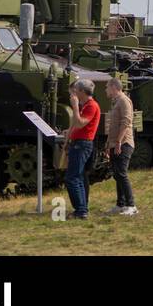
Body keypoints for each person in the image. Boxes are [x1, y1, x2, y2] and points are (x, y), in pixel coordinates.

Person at [63, 78, 100, 220]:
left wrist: (75, 107)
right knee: (79, 176)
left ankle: (80, 210)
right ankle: (82, 207)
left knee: (73, 177)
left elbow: (79, 124)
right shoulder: (86, 106)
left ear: (83, 91)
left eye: (76, 90)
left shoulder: (91, 106)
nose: (74, 93)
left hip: (82, 145)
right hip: (79, 143)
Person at [104, 77, 137, 216]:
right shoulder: (116, 102)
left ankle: (131, 205)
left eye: (107, 87)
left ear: (113, 87)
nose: (105, 90)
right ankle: (121, 204)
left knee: (122, 174)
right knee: (117, 174)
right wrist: (108, 144)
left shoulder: (124, 100)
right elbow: (113, 126)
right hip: (115, 143)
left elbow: (126, 122)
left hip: (124, 143)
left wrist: (118, 142)